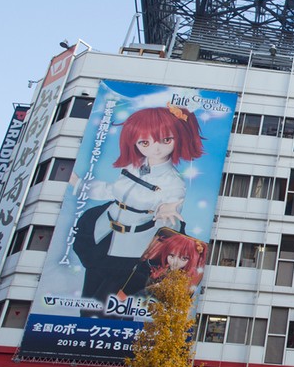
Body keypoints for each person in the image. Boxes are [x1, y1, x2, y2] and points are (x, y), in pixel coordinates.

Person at [72, 104, 205, 307]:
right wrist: (76, 182)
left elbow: (171, 208)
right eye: (145, 141)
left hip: (133, 248)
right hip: (102, 237)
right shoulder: (132, 166)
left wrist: (166, 210)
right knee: (88, 300)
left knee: (110, 307)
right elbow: (110, 190)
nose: (155, 147)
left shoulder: (173, 180)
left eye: (165, 140)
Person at [115, 229, 207, 300]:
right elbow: (127, 294)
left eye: (183, 258)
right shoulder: (148, 267)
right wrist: (151, 289)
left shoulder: (187, 280)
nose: (175, 262)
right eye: (171, 255)